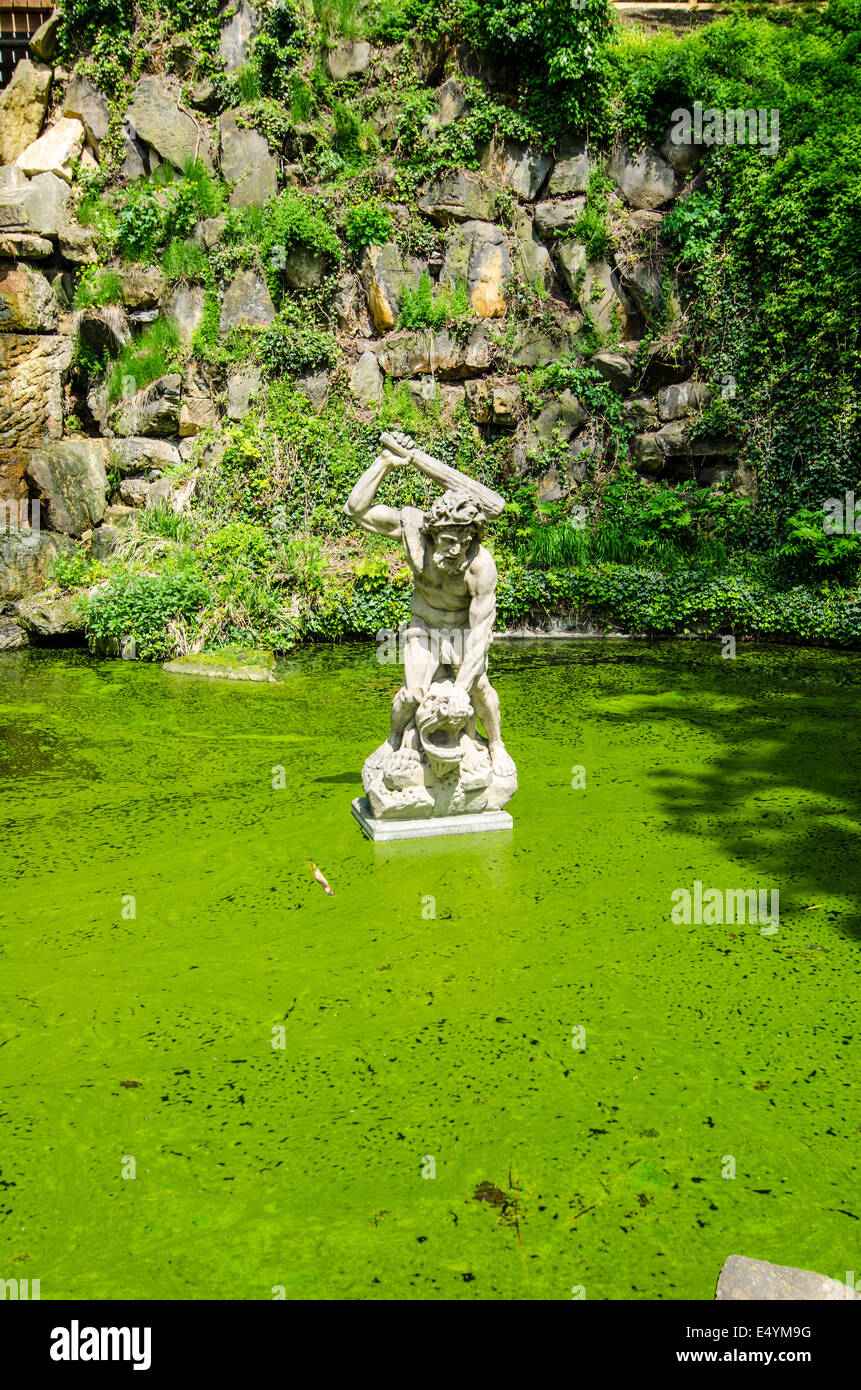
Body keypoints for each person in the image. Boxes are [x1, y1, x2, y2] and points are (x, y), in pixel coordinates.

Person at [344, 431, 516, 777]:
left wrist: (459, 691)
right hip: (424, 626)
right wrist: (385, 462)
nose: (453, 550)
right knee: (412, 694)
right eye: (446, 540)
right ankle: (394, 740)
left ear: (472, 538)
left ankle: (495, 743)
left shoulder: (481, 567)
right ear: (433, 532)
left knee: (480, 688)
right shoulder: (414, 532)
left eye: (461, 542)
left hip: (464, 633)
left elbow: (481, 635)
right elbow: (355, 509)